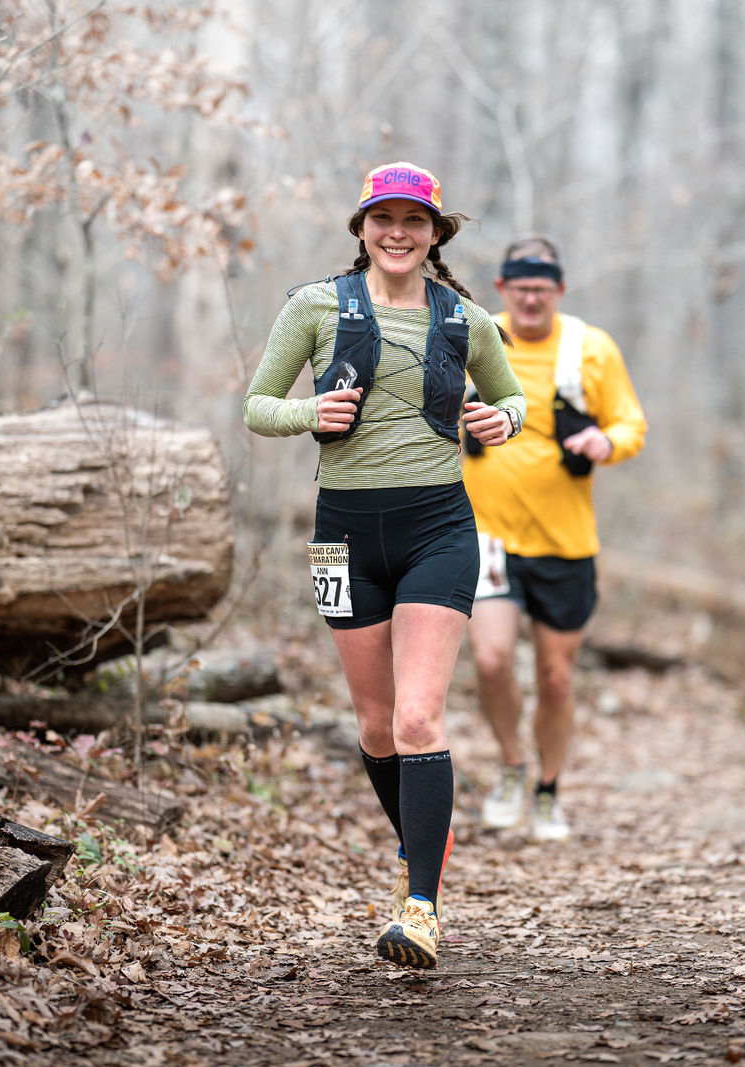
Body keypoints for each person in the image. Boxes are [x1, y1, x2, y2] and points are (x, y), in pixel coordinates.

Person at [243, 163, 525, 969]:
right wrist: (310, 412)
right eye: (383, 217)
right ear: (361, 226)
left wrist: (498, 421)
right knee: (375, 725)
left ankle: (421, 907)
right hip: (341, 537)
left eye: (414, 220)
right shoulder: (315, 305)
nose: (397, 232)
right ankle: (422, 856)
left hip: (439, 526)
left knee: (417, 720)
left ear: (437, 232)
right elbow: (258, 405)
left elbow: (513, 401)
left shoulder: (465, 318)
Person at [462, 236, 647, 842]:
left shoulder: (590, 350)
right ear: (503, 289)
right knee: (491, 661)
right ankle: (512, 764)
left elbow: (630, 423)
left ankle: (548, 788)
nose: (532, 299)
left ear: (559, 291)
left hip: (565, 544)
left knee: (556, 677)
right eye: (521, 289)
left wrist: (606, 443)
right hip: (486, 536)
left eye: (543, 289)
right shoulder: (475, 335)